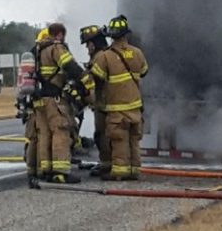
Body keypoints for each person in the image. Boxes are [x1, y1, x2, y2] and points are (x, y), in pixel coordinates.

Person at [90, 14, 149, 181]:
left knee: (119, 140)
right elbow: (144, 72)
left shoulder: (105, 56)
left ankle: (120, 173)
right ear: (126, 34)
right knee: (134, 140)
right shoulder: (137, 53)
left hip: (117, 108)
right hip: (135, 107)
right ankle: (134, 171)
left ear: (111, 35)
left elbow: (97, 78)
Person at [35, 22, 93, 184]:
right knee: (61, 131)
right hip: (55, 99)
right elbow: (70, 66)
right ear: (59, 34)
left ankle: (46, 170)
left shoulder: (40, 50)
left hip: (41, 99)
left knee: (45, 134)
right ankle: (60, 172)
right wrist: (86, 80)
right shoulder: (56, 48)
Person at [16, 28, 48, 188]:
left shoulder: (30, 56)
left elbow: (22, 86)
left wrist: (21, 105)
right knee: (41, 137)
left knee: (32, 139)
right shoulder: (44, 57)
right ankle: (41, 170)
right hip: (39, 105)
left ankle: (31, 170)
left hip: (28, 105)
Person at [79, 24, 111, 177]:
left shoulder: (100, 57)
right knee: (102, 135)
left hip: (103, 104)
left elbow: (94, 82)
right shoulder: (103, 55)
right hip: (103, 103)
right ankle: (106, 163)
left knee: (103, 135)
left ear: (95, 43)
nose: (87, 48)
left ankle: (107, 165)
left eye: (88, 44)